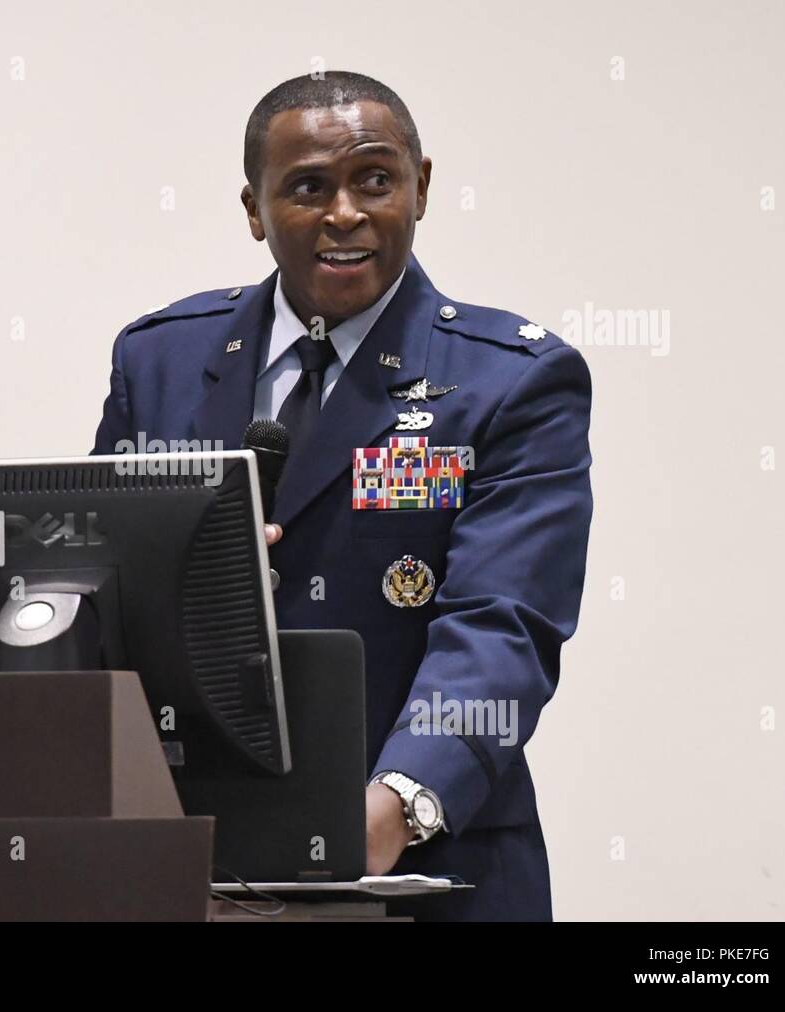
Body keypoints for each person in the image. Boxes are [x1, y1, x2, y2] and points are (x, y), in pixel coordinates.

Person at [92, 71, 593, 921]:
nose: (345, 214)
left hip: (427, 868)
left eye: (374, 179)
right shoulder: (161, 362)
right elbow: (106, 595)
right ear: (254, 210)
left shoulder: (510, 381)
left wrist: (395, 804)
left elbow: (501, 627)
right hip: (193, 864)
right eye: (307, 188)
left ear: (420, 187)